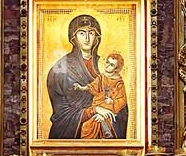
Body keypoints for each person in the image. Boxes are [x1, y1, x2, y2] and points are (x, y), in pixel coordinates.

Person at [45, 14, 128, 142]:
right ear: (74, 37)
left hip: (106, 133)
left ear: (97, 37)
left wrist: (108, 109)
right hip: (75, 135)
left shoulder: (107, 65)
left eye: (91, 33)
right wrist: (93, 110)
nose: (87, 38)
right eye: (82, 33)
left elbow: (121, 103)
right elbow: (61, 114)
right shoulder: (60, 69)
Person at [76, 52, 129, 142]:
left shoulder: (119, 82)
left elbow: (122, 100)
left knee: (92, 123)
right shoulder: (101, 77)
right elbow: (92, 86)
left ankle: (107, 132)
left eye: (111, 65)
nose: (107, 66)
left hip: (111, 107)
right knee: (87, 126)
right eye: (107, 62)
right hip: (99, 104)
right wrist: (81, 87)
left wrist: (112, 101)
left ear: (116, 69)